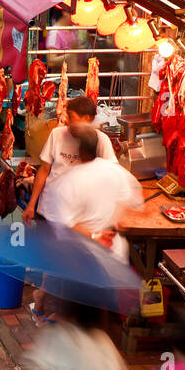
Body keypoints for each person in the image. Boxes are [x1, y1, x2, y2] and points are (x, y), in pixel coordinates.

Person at [44, 123, 145, 263]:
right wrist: (115, 219)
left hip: (80, 262)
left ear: (80, 150)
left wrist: (94, 236)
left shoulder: (66, 182)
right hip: (114, 257)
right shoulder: (117, 172)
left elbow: (65, 225)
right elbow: (133, 202)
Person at [23, 96, 116, 224]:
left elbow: (112, 176)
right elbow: (44, 170)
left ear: (87, 119)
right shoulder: (57, 134)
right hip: (48, 210)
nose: (67, 121)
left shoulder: (101, 140)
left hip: (80, 217)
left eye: (71, 117)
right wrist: (31, 205)